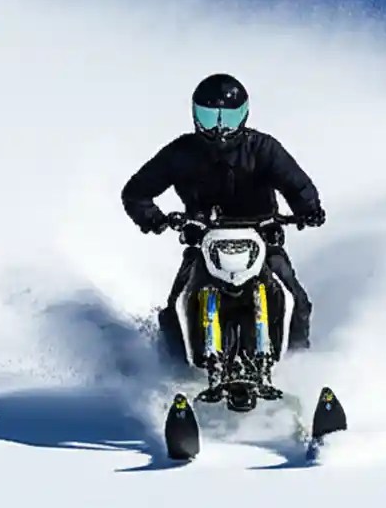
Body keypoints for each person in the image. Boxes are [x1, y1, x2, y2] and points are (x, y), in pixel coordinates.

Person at [120, 73, 325, 359]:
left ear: (244, 115)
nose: (218, 129)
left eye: (227, 119)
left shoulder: (263, 148)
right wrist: (155, 219)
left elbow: (296, 183)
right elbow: (136, 192)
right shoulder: (181, 152)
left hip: (262, 241)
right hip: (203, 242)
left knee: (296, 300)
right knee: (174, 309)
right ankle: (176, 379)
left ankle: (298, 369)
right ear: (194, 115)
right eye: (209, 117)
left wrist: (308, 209)